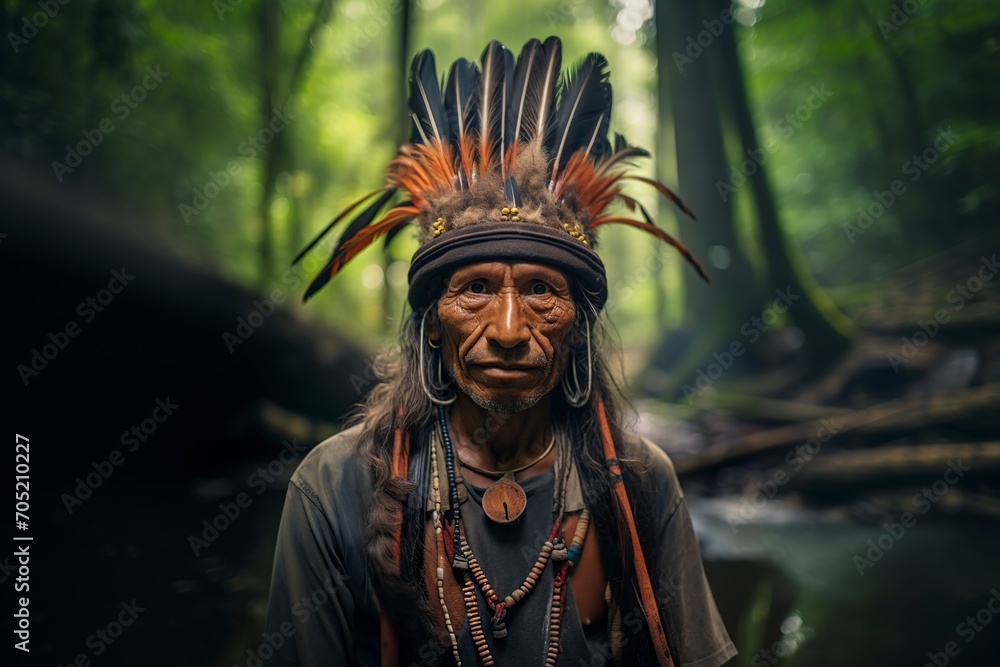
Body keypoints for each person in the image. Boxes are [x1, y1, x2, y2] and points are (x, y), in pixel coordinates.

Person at [265, 37, 736, 667]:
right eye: (475, 290)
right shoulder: (333, 487)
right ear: (432, 324)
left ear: (578, 328)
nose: (509, 328)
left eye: (541, 290)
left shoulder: (640, 482)